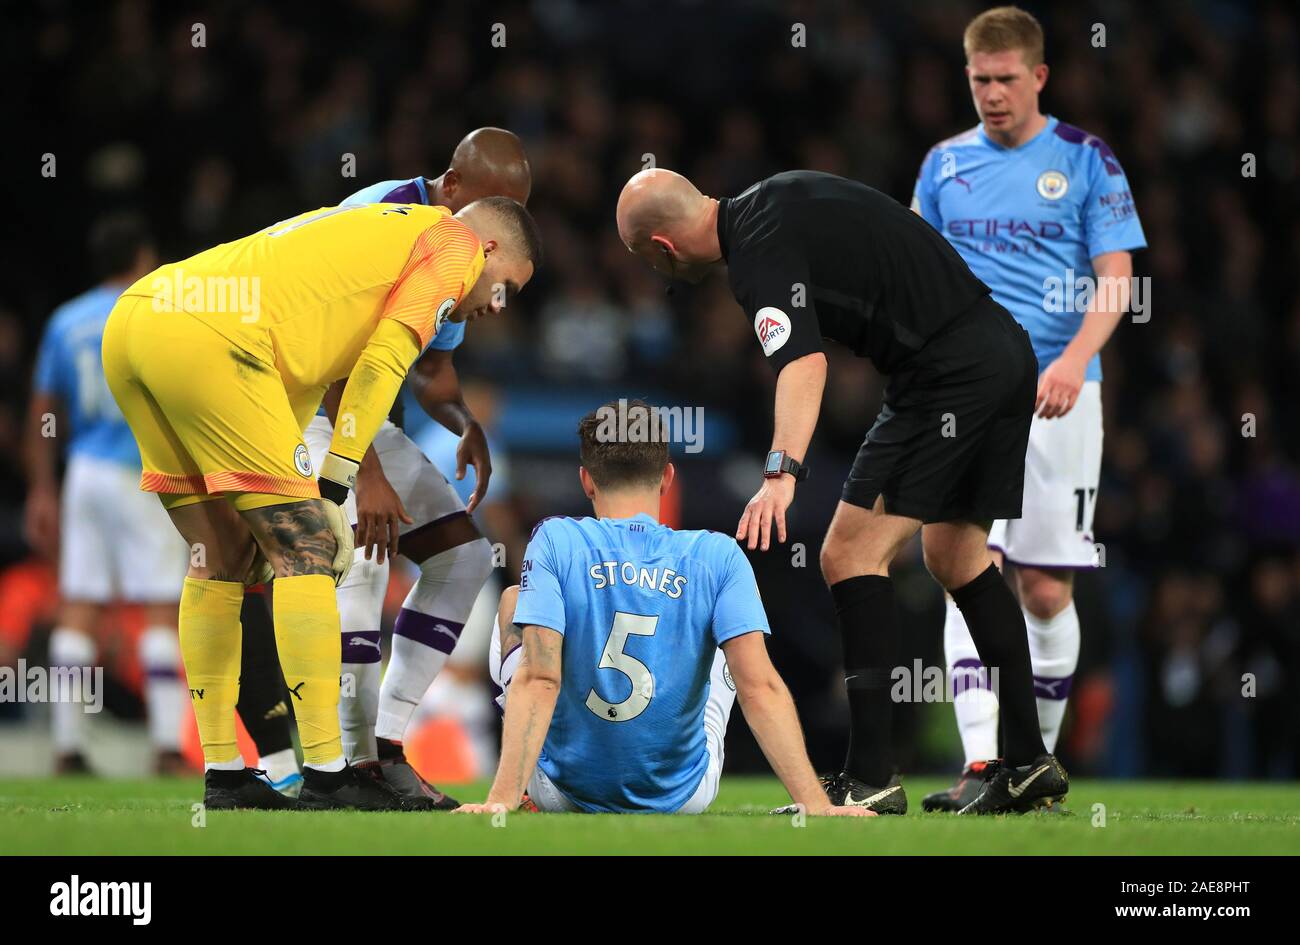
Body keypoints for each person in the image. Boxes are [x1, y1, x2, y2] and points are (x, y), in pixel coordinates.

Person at [616, 166, 1066, 814]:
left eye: (649, 262)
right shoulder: (773, 196)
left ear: (662, 248)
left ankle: (871, 775)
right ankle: (1027, 762)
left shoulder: (755, 252)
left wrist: (780, 474)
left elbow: (804, 362)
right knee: (956, 559)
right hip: (1000, 351)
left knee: (848, 555)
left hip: (947, 373)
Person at [102, 194, 539, 810]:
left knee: (221, 557)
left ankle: (225, 773)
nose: (497, 306)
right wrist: (337, 481)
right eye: (507, 288)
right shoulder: (453, 245)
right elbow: (387, 359)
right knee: (312, 546)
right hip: (214, 340)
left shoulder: (368, 237)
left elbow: (306, 373)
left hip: (138, 322)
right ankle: (329, 775)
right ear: (489, 248)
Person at [911, 6, 1146, 810]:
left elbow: (1117, 276)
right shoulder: (943, 165)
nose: (993, 94)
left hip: (1061, 395)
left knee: (1045, 588)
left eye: (1008, 79)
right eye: (980, 80)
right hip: (968, 398)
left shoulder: (1087, 160)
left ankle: (1033, 766)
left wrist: (1078, 359)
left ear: (1039, 76)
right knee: (963, 567)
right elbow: (920, 277)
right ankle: (984, 762)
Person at [455, 400, 870, 817]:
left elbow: (540, 679)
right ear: (668, 477)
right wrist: (816, 805)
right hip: (684, 796)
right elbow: (759, 688)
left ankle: (521, 791)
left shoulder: (555, 539)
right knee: (725, 640)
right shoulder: (717, 554)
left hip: (559, 793)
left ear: (586, 481)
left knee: (515, 602)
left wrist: (500, 801)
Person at [297, 127, 532, 807]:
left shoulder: (460, 250)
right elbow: (336, 350)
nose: (492, 240)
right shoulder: (377, 220)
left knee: (462, 558)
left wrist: (465, 422)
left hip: (368, 419)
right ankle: (341, 764)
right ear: (452, 189)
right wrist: (362, 469)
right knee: (364, 558)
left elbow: (431, 366)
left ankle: (385, 749)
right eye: (491, 217)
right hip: (307, 405)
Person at [24, 213, 189, 775]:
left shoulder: (64, 320)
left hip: (84, 475)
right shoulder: (154, 312)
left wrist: (43, 488)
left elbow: (44, 410)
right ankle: (168, 747)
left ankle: (67, 747)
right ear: (143, 258)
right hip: (141, 471)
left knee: (80, 607)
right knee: (161, 609)